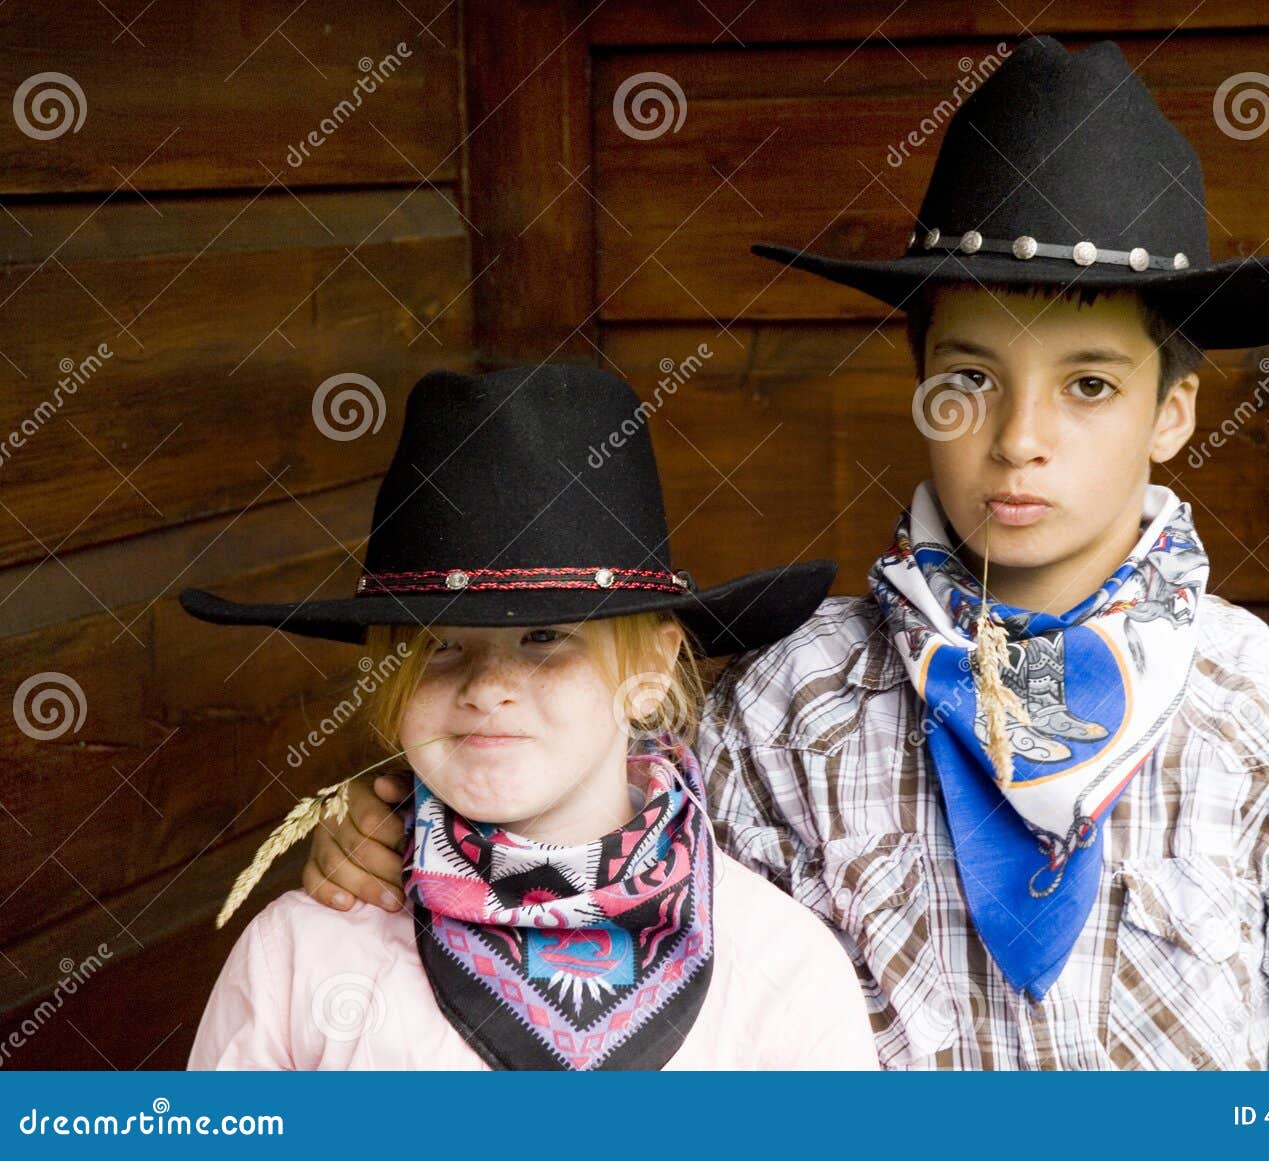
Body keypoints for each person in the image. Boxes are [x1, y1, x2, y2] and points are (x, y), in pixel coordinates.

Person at [296, 37, 1269, 1069]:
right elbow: (571, 839)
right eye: (969, 380)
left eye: (1088, 385)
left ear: (1173, 411)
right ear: (919, 387)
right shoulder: (775, 718)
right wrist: (399, 821)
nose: (1019, 440)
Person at [180, 364, 877, 1070]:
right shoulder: (298, 961)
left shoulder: (780, 971)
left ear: (651, 672)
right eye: (440, 644)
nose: (487, 687)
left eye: (545, 638)